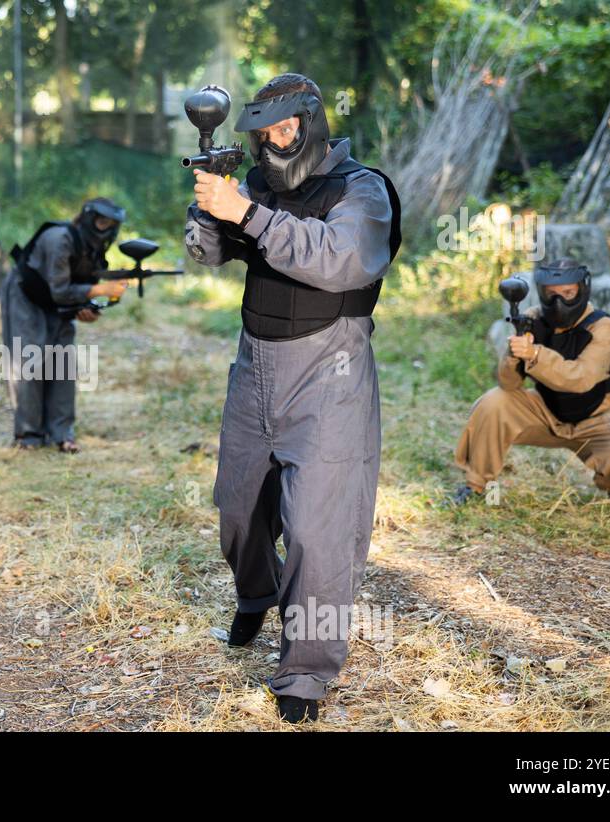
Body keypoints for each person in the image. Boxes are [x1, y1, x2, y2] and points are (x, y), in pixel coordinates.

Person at [186, 73, 401, 723]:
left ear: (311, 124)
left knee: (318, 528)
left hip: (330, 371)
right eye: (263, 135)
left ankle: (304, 673)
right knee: (237, 512)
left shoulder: (362, 190)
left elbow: (339, 261)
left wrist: (245, 212)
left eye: (285, 129)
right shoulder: (253, 185)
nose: (275, 143)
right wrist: (206, 206)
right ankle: (256, 597)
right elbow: (204, 254)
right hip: (254, 366)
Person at [451, 258, 610, 506]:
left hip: (596, 420)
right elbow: (509, 385)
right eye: (551, 294)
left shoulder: (601, 325)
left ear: (582, 290)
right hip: (545, 412)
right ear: (541, 292)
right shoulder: (533, 319)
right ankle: (476, 486)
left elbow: (581, 378)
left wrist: (534, 354)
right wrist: (514, 354)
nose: (559, 302)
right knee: (493, 402)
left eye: (567, 293)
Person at [0, 198, 129, 452]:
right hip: (25, 296)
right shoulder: (61, 238)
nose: (107, 229)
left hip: (55, 302)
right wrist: (100, 289)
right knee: (29, 359)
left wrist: (88, 310)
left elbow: (77, 292)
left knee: (63, 364)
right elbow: (61, 290)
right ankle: (28, 435)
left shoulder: (93, 249)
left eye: (112, 225)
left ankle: (61, 434)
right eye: (103, 222)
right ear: (89, 219)